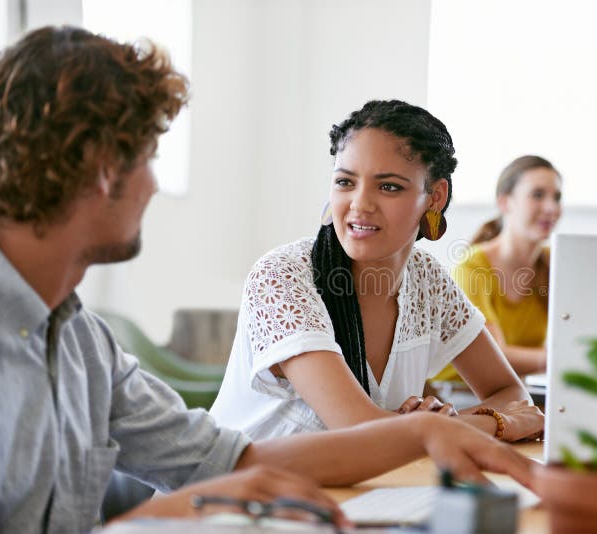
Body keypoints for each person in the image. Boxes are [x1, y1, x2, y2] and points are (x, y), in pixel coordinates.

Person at [0, 27, 538, 533]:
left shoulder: (82, 345)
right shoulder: (286, 272)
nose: (154, 185)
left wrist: (427, 429)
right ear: (102, 169)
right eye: (148, 157)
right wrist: (141, 523)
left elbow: (231, 461)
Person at [210, 100, 545, 442]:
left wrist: (432, 424)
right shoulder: (281, 276)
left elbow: (513, 395)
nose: (360, 204)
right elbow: (362, 431)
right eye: (345, 182)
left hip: (357, 492)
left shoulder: (428, 279)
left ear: (435, 197)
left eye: (388, 187)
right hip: (234, 493)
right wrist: (492, 423)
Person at [433, 155, 562, 382]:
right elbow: (492, 356)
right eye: (538, 195)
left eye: (557, 197)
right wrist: (561, 359)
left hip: (508, 393)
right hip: (454, 395)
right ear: (505, 203)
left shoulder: (556, 264)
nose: (551, 207)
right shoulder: (473, 268)